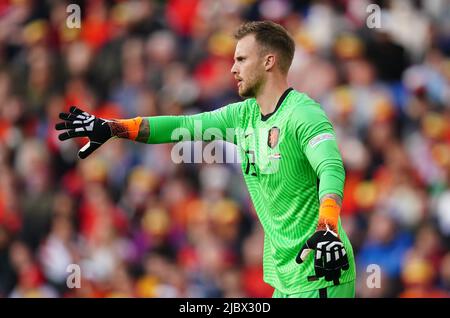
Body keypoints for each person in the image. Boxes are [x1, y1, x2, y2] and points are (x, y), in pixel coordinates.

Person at [56, 21, 356, 298]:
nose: (232, 69)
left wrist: (328, 225)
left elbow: (330, 166)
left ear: (269, 62)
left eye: (241, 59)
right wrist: (113, 128)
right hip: (285, 279)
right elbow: (180, 127)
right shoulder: (242, 116)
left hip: (320, 273)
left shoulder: (303, 113)